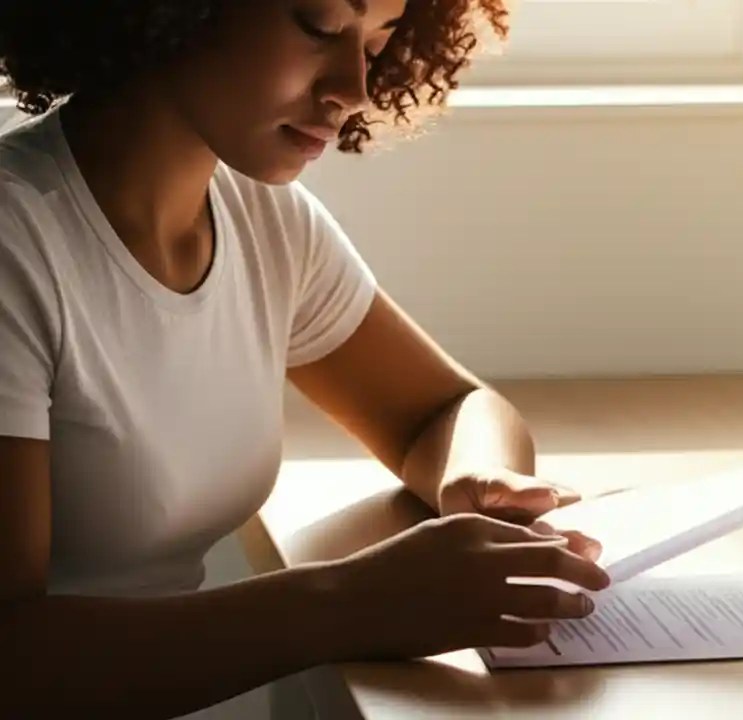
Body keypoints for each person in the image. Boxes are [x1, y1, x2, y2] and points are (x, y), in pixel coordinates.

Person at [0, 0, 611, 716]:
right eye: (319, 26)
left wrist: (479, 479)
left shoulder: (262, 219)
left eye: (378, 44)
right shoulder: (18, 245)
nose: (353, 88)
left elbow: (442, 408)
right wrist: (352, 600)